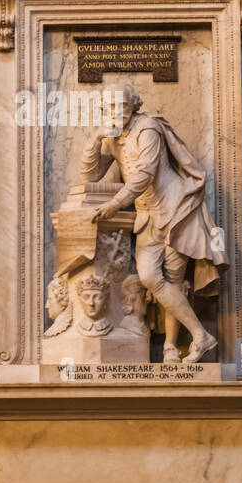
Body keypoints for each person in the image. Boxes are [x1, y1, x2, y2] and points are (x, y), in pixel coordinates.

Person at [83, 83, 225, 363]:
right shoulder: (113, 138)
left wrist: (113, 204)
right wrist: (95, 139)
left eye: (120, 105)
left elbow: (144, 174)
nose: (115, 112)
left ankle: (171, 348)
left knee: (173, 280)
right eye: (109, 107)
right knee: (150, 277)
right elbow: (90, 176)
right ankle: (200, 335)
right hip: (147, 216)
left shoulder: (147, 128)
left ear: (133, 105)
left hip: (176, 210)